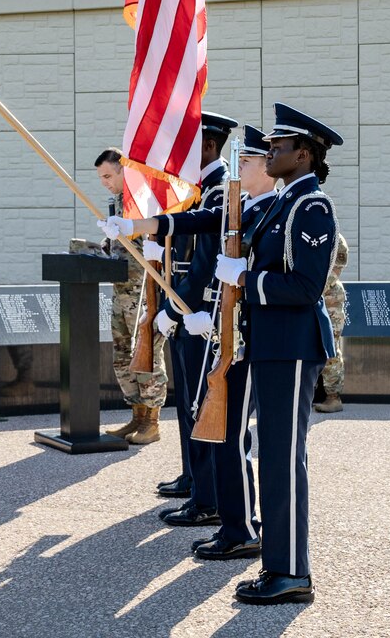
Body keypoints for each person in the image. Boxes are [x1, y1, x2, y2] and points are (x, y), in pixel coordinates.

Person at [102, 102, 342, 605]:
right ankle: (279, 566)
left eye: (278, 147)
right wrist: (143, 228)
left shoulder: (311, 207)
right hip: (269, 345)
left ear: (303, 154)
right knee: (270, 456)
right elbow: (211, 220)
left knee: (282, 460)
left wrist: (246, 280)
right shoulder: (278, 203)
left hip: (292, 348)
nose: (269, 153)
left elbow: (305, 287)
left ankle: (291, 573)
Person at [191, 123, 278, 562]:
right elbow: (199, 221)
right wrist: (142, 224)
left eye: (247, 161)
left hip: (246, 337)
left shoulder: (272, 210)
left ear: (267, 166)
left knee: (231, 436)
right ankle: (233, 525)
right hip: (225, 330)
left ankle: (242, 528)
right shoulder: (240, 206)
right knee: (222, 434)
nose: (238, 168)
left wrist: (240, 277)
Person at [153, 113, 237, 528]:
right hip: (185, 305)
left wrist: (173, 309)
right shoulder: (198, 188)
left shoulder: (220, 190)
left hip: (199, 310)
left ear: (207, 145)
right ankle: (194, 477)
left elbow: (204, 263)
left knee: (199, 403)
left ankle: (207, 498)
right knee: (187, 400)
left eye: (186, 143)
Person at [94, 148, 167, 445]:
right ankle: (137, 415)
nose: (105, 183)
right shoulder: (119, 203)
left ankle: (152, 421)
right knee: (123, 355)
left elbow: (156, 240)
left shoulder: (144, 200)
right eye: (101, 178)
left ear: (124, 170)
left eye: (108, 176)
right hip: (121, 291)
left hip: (144, 292)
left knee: (146, 354)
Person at [314, 232, 350, 413]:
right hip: (305, 297)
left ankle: (333, 397)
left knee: (330, 347)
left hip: (329, 299)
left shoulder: (335, 237)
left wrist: (312, 289)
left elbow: (337, 267)